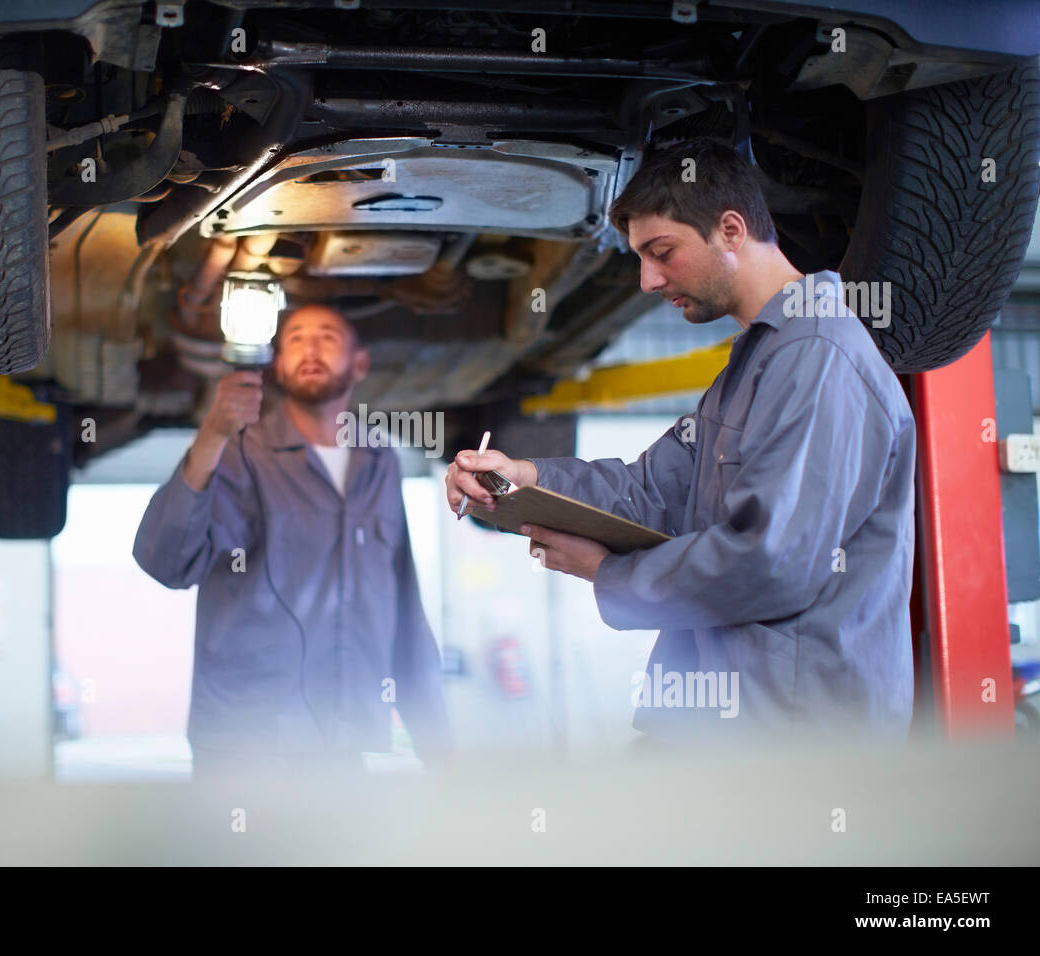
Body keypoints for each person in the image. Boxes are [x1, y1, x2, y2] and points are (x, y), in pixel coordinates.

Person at [446, 137, 916, 746]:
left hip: (795, 744)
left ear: (729, 229)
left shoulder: (818, 355)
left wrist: (609, 575)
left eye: (660, 251)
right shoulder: (755, 366)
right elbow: (651, 489)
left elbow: (773, 562)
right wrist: (527, 477)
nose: (646, 279)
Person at [134, 303, 452, 775]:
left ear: (359, 363)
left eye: (328, 335)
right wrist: (211, 436)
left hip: (343, 744)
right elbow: (167, 561)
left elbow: (403, 604)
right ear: (277, 364)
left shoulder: (378, 460)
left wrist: (439, 747)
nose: (311, 347)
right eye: (296, 338)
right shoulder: (240, 451)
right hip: (245, 745)